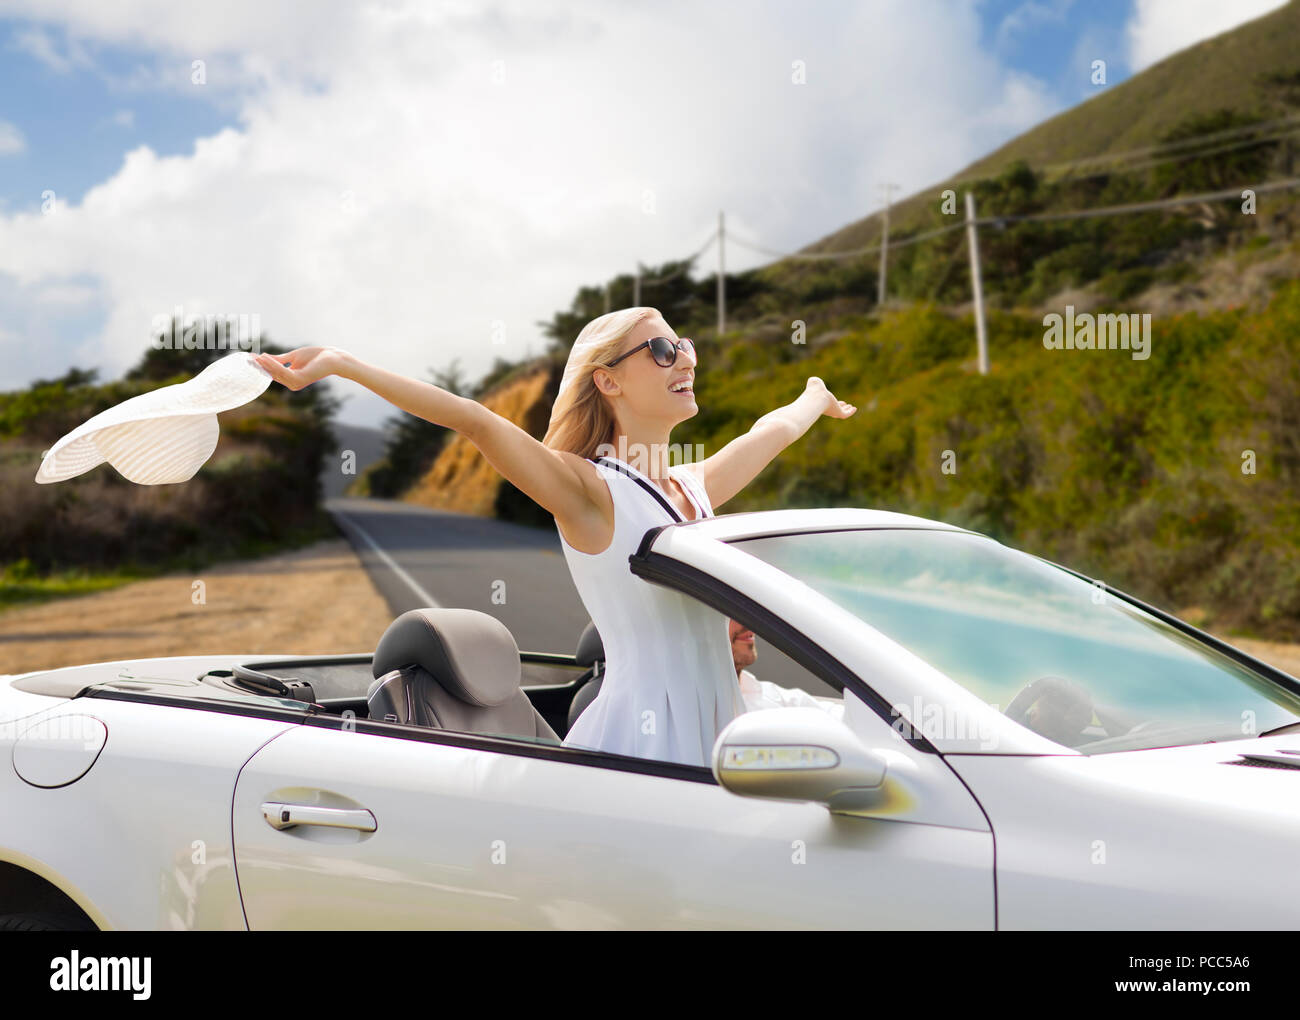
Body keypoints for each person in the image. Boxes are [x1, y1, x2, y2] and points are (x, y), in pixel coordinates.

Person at [254, 306, 855, 766]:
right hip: (640, 752)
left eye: (687, 344)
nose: (687, 358)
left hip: (720, 734)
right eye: (663, 350)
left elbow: (772, 431)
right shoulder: (589, 493)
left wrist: (812, 398)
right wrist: (342, 364)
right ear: (609, 382)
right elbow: (473, 418)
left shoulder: (694, 487)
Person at [729, 619, 845, 720]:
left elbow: (839, 717)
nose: (747, 621)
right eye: (727, 614)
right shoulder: (713, 715)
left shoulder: (772, 699)